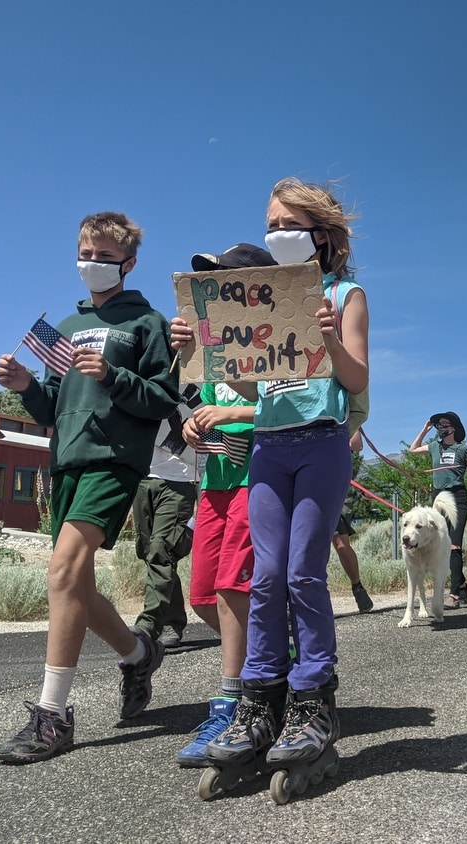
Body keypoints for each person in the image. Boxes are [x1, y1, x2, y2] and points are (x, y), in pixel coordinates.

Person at [171, 177, 367, 776]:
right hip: (270, 447)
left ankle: (312, 700)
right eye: (272, 222)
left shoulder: (346, 294)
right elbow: (254, 385)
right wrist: (198, 349)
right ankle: (258, 699)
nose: (278, 232)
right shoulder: (259, 300)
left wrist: (330, 338)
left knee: (305, 571)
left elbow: (355, 380)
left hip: (322, 443)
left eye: (290, 223)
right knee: (266, 575)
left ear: (321, 235)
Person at [0, 212, 180, 763]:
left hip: (113, 460)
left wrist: (113, 375)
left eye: (103, 256)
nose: (91, 263)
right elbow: (54, 407)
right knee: (73, 582)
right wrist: (27, 387)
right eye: (85, 253)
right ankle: (137, 653)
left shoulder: (147, 323)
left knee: (62, 572)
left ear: (128, 262)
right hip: (67, 460)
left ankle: (52, 716)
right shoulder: (68, 330)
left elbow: (163, 400)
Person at [175, 243, 275, 767]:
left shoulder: (277, 340)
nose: (212, 291)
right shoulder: (209, 347)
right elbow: (199, 403)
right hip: (213, 479)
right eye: (207, 283)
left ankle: (233, 699)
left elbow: (291, 409)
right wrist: (195, 421)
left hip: (255, 479)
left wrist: (232, 412)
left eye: (220, 281)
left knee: (235, 587)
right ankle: (271, 658)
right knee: (203, 595)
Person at [132, 406, 197, 649]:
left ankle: (148, 624)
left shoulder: (199, 377)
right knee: (149, 552)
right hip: (143, 473)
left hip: (181, 477)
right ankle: (172, 620)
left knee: (163, 549)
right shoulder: (147, 374)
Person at [410, 412, 467, 608]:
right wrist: (424, 430)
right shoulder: (435, 447)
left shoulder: (463, 449)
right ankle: (461, 584)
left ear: (453, 427)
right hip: (437, 498)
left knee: (454, 545)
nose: (441, 427)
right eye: (438, 425)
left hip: (457, 498)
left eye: (445, 424)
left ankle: (453, 594)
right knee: (441, 545)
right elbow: (413, 450)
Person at [334, 430, 373, 613]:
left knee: (341, 544)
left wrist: (352, 420)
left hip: (337, 487)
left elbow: (356, 445)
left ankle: (357, 586)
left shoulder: (343, 412)